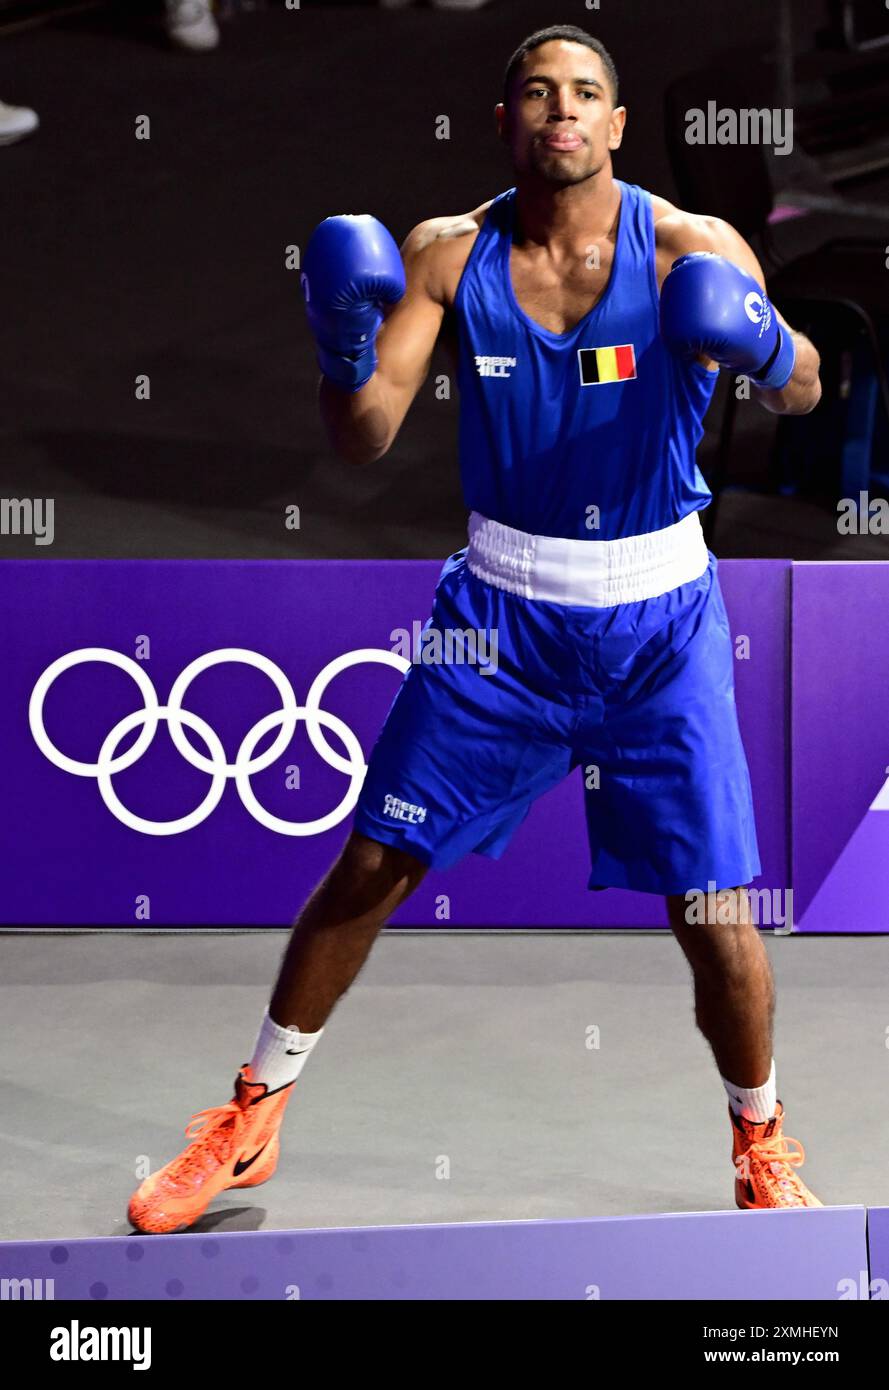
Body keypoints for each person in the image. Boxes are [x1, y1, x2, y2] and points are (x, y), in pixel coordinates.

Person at [128, 24, 824, 1235]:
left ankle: (759, 1139)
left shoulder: (685, 251)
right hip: (498, 619)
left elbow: (807, 385)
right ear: (504, 120)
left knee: (714, 910)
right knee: (370, 864)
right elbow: (363, 438)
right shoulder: (448, 256)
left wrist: (760, 342)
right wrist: (343, 349)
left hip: (662, 620)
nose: (562, 110)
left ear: (616, 126)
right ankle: (249, 1119)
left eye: (588, 94)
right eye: (537, 93)